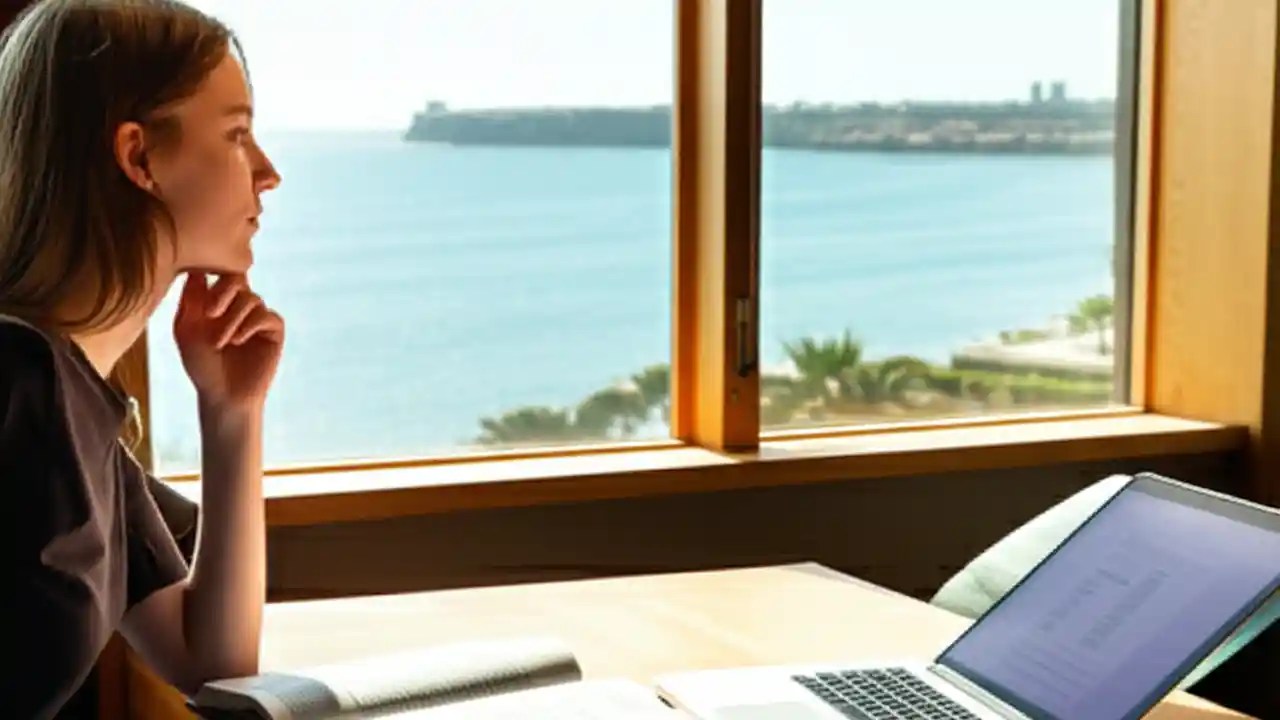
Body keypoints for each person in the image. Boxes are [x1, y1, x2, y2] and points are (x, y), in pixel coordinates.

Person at [0, 1, 283, 716]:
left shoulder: (67, 398)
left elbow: (210, 660)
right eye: (238, 134)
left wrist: (233, 414)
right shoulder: (17, 384)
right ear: (138, 157)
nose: (267, 172)